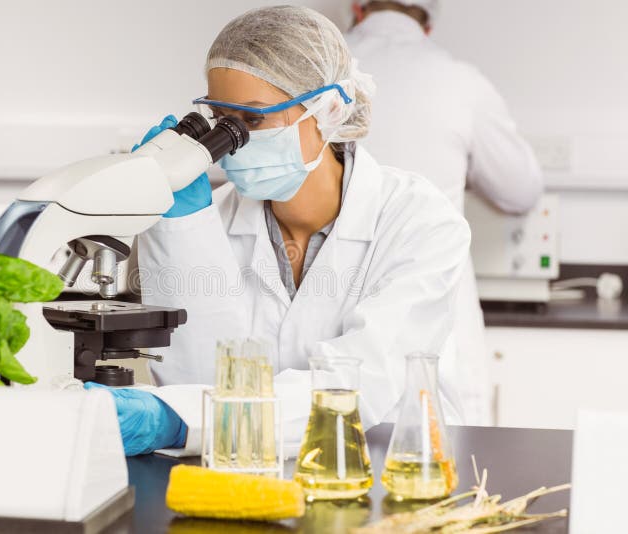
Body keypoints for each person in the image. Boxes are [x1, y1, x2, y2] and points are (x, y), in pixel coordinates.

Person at [87, 5, 471, 456]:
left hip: (392, 465)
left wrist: (175, 421)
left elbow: (357, 384)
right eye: (220, 119)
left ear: (327, 108)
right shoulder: (204, 221)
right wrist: (182, 233)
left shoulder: (419, 220)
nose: (232, 139)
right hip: (249, 474)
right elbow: (202, 383)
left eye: (252, 120)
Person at [345, 0, 543, 425]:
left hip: (328, 290)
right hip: (435, 300)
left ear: (357, 9)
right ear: (429, 22)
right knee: (443, 454)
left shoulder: (317, 72)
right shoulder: (459, 81)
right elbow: (521, 190)